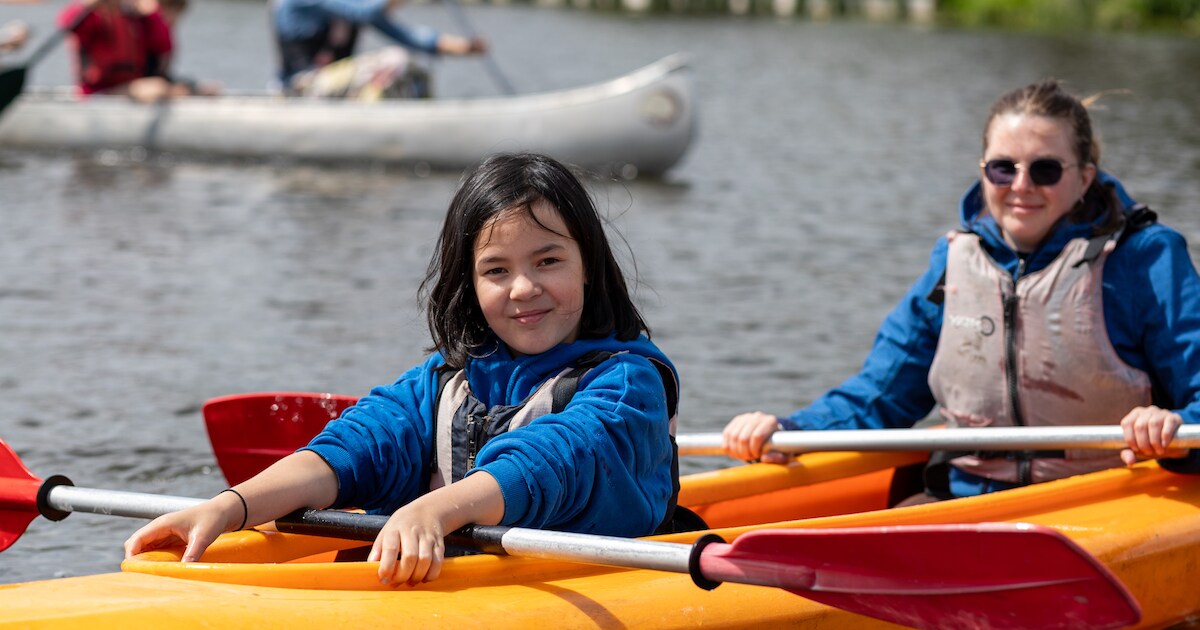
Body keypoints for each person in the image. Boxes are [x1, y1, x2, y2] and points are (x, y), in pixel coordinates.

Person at [125, 152, 682, 585]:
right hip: (467, 584)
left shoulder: (627, 384)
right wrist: (231, 507)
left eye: (548, 260)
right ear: (470, 284)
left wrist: (431, 511)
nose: (523, 288)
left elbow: (553, 459)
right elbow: (355, 447)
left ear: (588, 267)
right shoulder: (444, 383)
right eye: (496, 270)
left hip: (591, 582)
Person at [723, 79, 1200, 503]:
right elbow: (881, 395)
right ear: (983, 171)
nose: (1021, 185)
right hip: (970, 496)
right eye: (1002, 168)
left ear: (1084, 178)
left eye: (1045, 170)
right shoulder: (953, 262)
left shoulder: (1146, 258)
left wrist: (1172, 427)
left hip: (1105, 499)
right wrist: (789, 429)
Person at [272, 0, 487, 99]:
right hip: (301, 88)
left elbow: (410, 37)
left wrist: (465, 47)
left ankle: (423, 121)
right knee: (395, 59)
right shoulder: (300, 2)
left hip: (335, 90)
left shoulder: (353, 5)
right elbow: (366, 12)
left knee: (419, 63)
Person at [57, 0, 207, 101]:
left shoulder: (136, 19)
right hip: (98, 93)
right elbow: (66, 21)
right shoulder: (93, 18)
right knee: (157, 88)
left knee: (206, 90)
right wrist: (89, 4)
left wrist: (151, 14)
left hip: (133, 86)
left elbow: (162, 46)